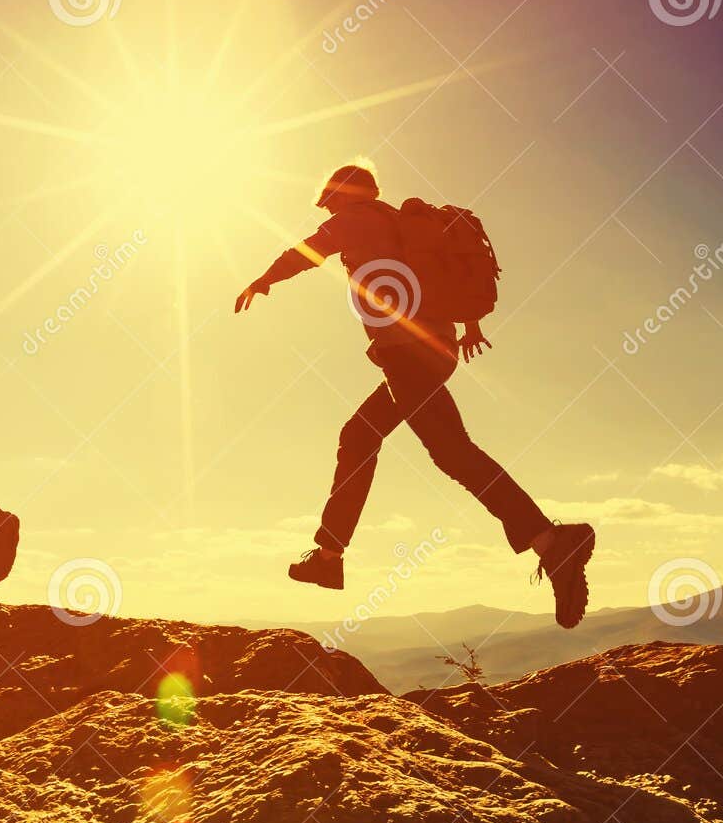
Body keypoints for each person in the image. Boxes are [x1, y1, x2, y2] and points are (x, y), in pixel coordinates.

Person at [234, 163, 596, 628]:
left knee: (451, 451)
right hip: (431, 349)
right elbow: (447, 280)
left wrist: (264, 279)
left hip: (408, 355)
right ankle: (328, 557)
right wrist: (469, 327)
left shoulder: (356, 219)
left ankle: (551, 542)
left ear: (343, 196)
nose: (331, 211)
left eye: (332, 202)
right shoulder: (399, 222)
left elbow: (308, 251)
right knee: (362, 435)